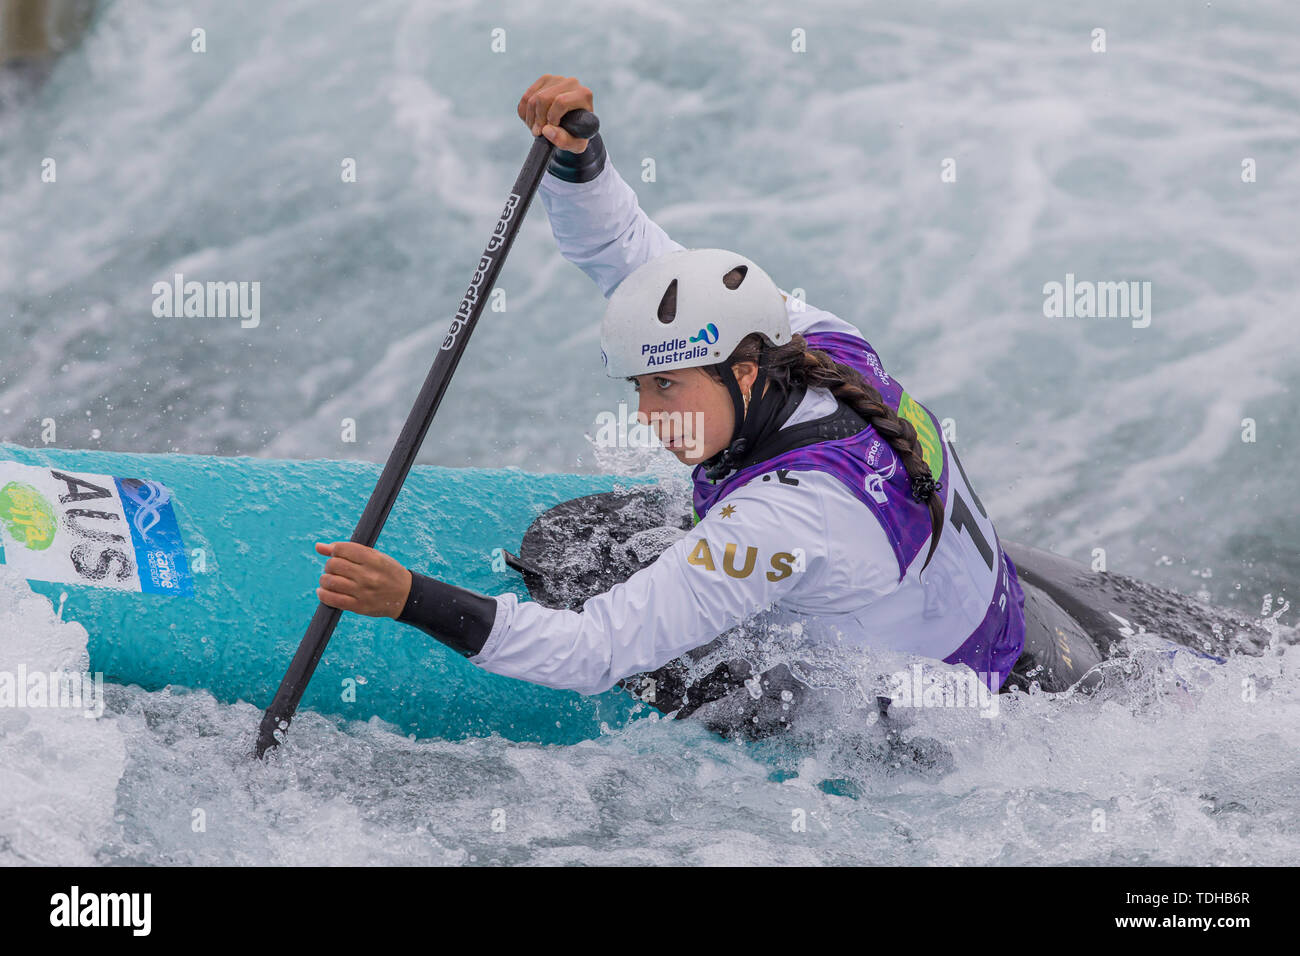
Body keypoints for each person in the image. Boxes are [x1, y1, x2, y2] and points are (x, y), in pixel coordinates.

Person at [313, 75, 1026, 725]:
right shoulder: (818, 341)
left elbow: (594, 652)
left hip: (923, 721)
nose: (651, 415)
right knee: (622, 540)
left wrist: (408, 598)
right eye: (641, 388)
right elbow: (633, 255)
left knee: (589, 568)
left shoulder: (784, 517)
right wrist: (577, 160)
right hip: (983, 610)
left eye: (667, 386)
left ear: (743, 374)